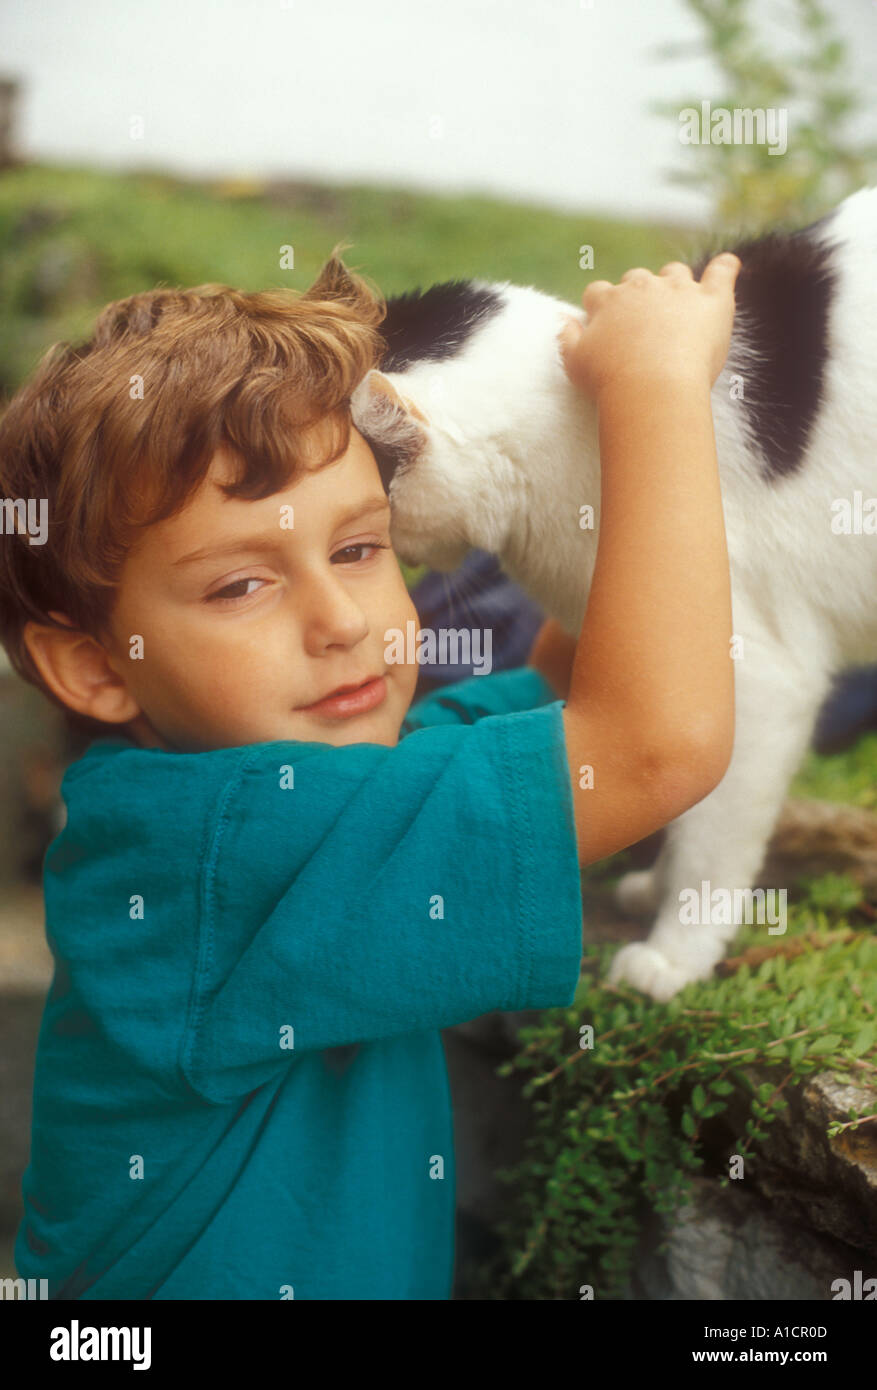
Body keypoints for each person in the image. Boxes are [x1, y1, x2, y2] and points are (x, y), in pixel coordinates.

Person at [0, 247, 738, 1299]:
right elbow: (652, 742)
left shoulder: (252, 792)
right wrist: (660, 393)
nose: (344, 622)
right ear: (90, 665)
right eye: (242, 584)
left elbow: (571, 683)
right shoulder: (231, 844)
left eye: (357, 549)